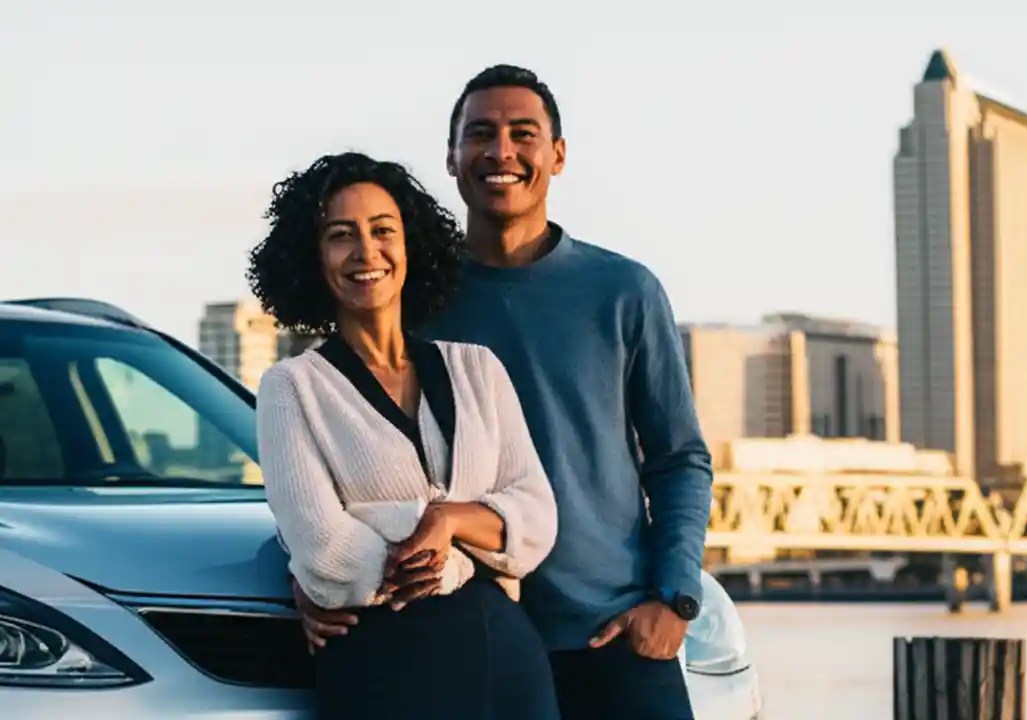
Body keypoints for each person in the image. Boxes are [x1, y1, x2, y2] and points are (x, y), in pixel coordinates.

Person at [296, 65, 715, 719]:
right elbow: (326, 461)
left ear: (558, 155)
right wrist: (303, 575)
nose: (501, 152)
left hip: (613, 635)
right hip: (469, 638)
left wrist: (676, 599)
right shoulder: (408, 301)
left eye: (524, 133)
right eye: (480, 134)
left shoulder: (625, 292)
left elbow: (679, 458)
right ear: (452, 157)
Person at [248, 152, 561, 719]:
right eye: (341, 236)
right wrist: (472, 559)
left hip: (507, 659)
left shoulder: (478, 369)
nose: (366, 252)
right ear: (313, 258)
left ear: (411, 243)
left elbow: (538, 518)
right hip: (385, 668)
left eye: (383, 231)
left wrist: (447, 521)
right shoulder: (292, 388)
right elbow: (326, 556)